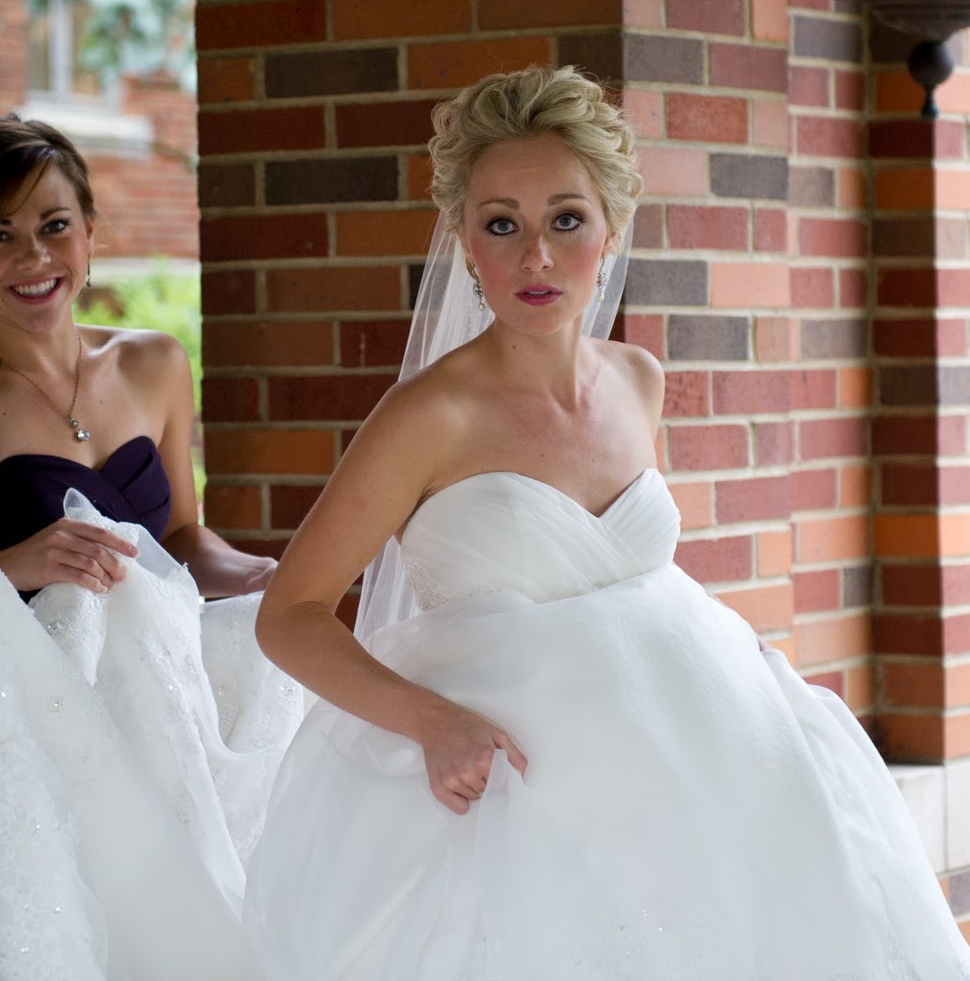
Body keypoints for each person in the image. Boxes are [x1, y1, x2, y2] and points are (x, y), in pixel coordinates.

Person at [243, 65, 970, 980]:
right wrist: (431, 721)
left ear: (611, 228)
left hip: (706, 758)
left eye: (566, 220)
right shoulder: (428, 417)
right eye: (501, 224)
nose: (535, 258)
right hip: (521, 806)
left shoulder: (638, 380)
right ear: (465, 241)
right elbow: (291, 613)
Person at [0, 115, 305, 980]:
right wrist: (11, 564)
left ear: (90, 231)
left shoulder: (156, 366)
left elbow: (182, 541)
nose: (33, 257)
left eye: (53, 225)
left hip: (162, 729)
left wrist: (262, 575)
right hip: (35, 744)